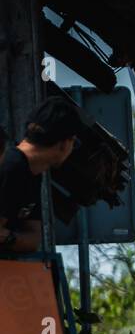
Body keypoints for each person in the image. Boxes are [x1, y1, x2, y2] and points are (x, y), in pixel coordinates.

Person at [0, 96, 86, 254]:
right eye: (75, 143)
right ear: (65, 143)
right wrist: (14, 238)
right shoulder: (11, 167)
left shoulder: (33, 172)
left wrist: (8, 237)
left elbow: (33, 240)